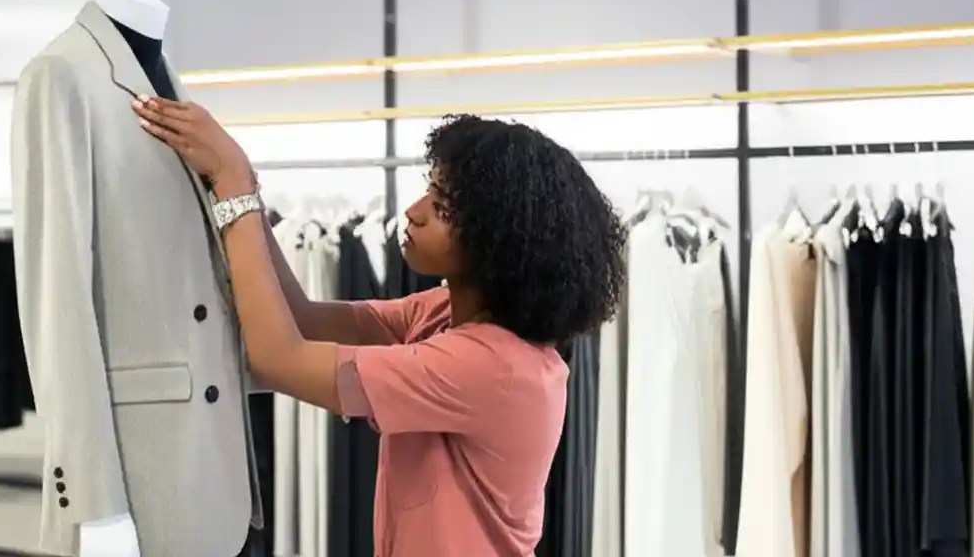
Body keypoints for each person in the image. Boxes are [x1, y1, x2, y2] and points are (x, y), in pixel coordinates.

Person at [131, 97, 626, 556]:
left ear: (497, 241)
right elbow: (306, 319)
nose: (413, 212)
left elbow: (279, 359)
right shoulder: (443, 313)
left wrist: (232, 182)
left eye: (441, 208)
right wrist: (246, 194)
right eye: (429, 191)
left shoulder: (492, 366)